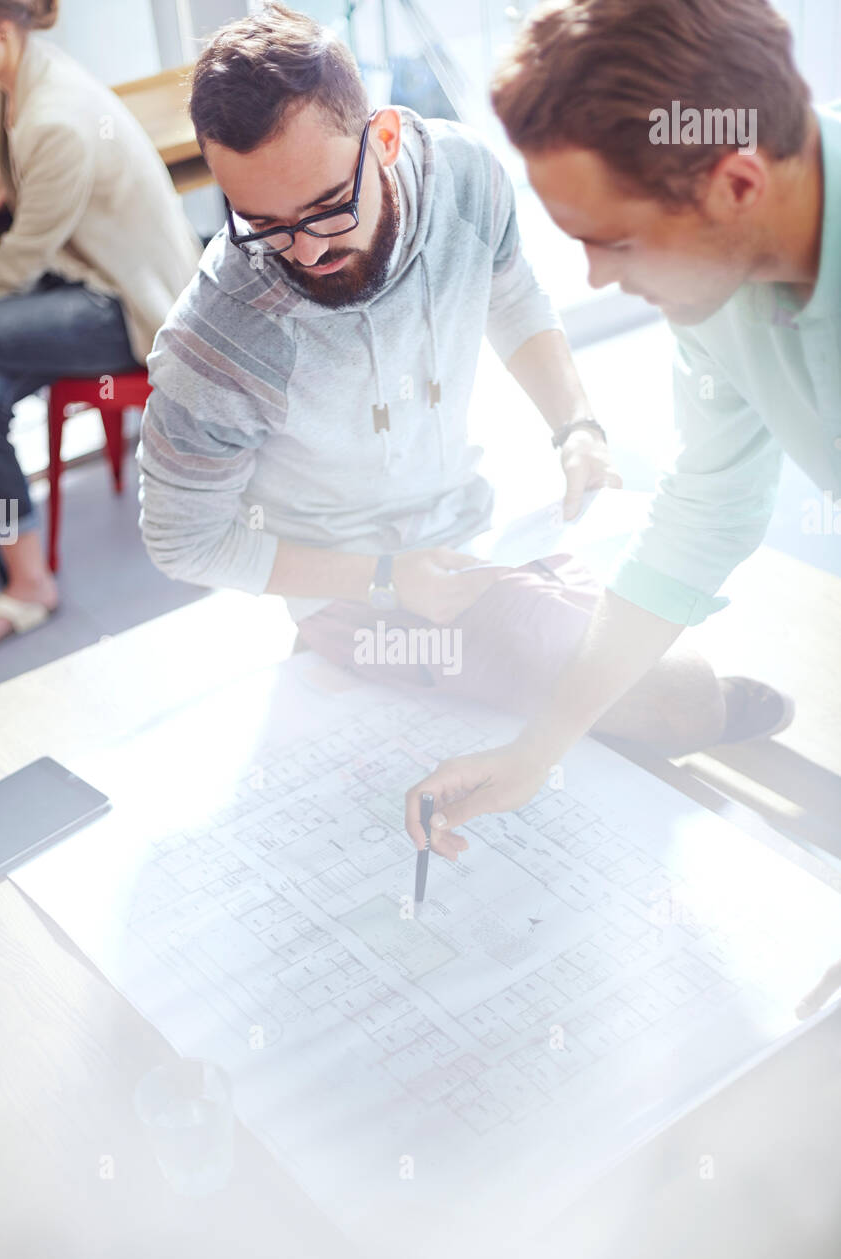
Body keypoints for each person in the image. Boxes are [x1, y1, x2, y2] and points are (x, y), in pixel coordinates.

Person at [139, 2, 786, 790]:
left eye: (324, 209)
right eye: (262, 224)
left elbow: (510, 292)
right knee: (679, 699)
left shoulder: (463, 173)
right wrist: (386, 576)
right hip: (362, 595)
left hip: (488, 532)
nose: (303, 251)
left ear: (381, 140)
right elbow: (184, 544)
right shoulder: (215, 344)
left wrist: (574, 425)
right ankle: (356, 655)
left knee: (638, 655)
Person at [406, 0, 836, 874]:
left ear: (738, 184)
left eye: (619, 242)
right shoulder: (720, 285)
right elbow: (701, 516)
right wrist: (539, 748)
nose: (598, 277)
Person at [0, 0, 201, 651]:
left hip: (126, 311)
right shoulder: (28, 78)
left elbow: (20, 263)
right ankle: (28, 583)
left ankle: (18, 582)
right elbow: (41, 182)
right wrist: (17, 186)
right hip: (84, 284)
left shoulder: (54, 116)